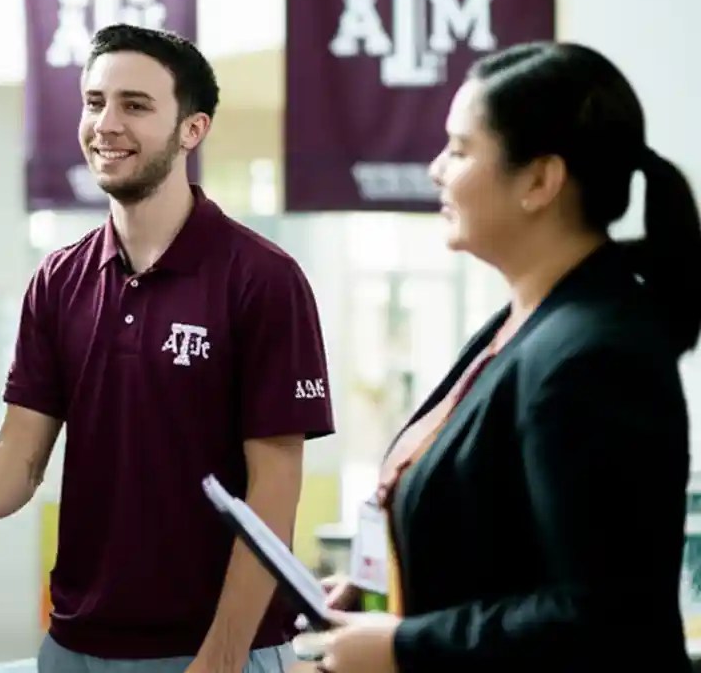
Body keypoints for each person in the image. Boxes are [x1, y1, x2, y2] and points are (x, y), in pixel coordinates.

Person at [0, 23, 336, 672]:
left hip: (212, 650)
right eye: (94, 101)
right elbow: (21, 455)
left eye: (135, 105)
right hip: (74, 647)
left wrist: (223, 655)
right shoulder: (57, 281)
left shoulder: (262, 279)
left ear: (192, 129)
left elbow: (273, 489)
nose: (106, 123)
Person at [299, 42, 699, 673]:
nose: (436, 169)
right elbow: (499, 541)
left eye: (459, 150)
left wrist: (403, 646)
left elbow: (603, 617)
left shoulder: (593, 354)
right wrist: (384, 597)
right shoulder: (526, 322)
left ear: (540, 180)